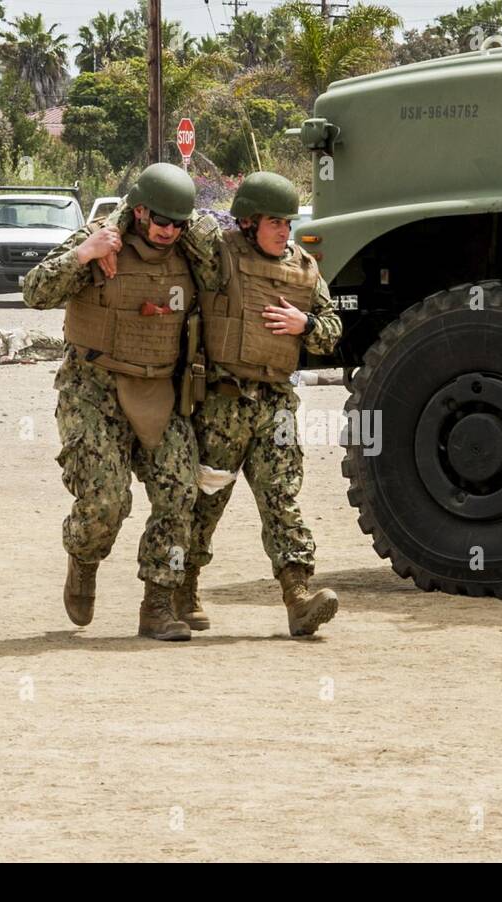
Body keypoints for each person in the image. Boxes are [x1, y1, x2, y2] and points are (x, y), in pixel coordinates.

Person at [107, 172, 343, 637]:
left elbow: (333, 330)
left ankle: (298, 598)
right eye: (275, 222)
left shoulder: (303, 269)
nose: (284, 232)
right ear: (249, 222)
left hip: (275, 405)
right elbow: (168, 209)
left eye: (288, 222)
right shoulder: (218, 255)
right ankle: (175, 591)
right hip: (221, 407)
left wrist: (306, 324)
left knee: (282, 500)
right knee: (199, 506)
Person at [21, 163, 201, 641]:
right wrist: (84, 254)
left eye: (179, 223)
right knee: (105, 501)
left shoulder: (193, 251)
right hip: (92, 386)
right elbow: (34, 291)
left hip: (159, 387)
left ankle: (158, 604)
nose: (169, 231)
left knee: (180, 492)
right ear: (139, 211)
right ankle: (83, 557)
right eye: (161, 220)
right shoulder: (99, 240)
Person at [0, 324, 64, 366]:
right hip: (27, 353)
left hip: (25, 338)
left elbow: (11, 336)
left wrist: (10, 355)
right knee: (62, 353)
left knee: (60, 343)